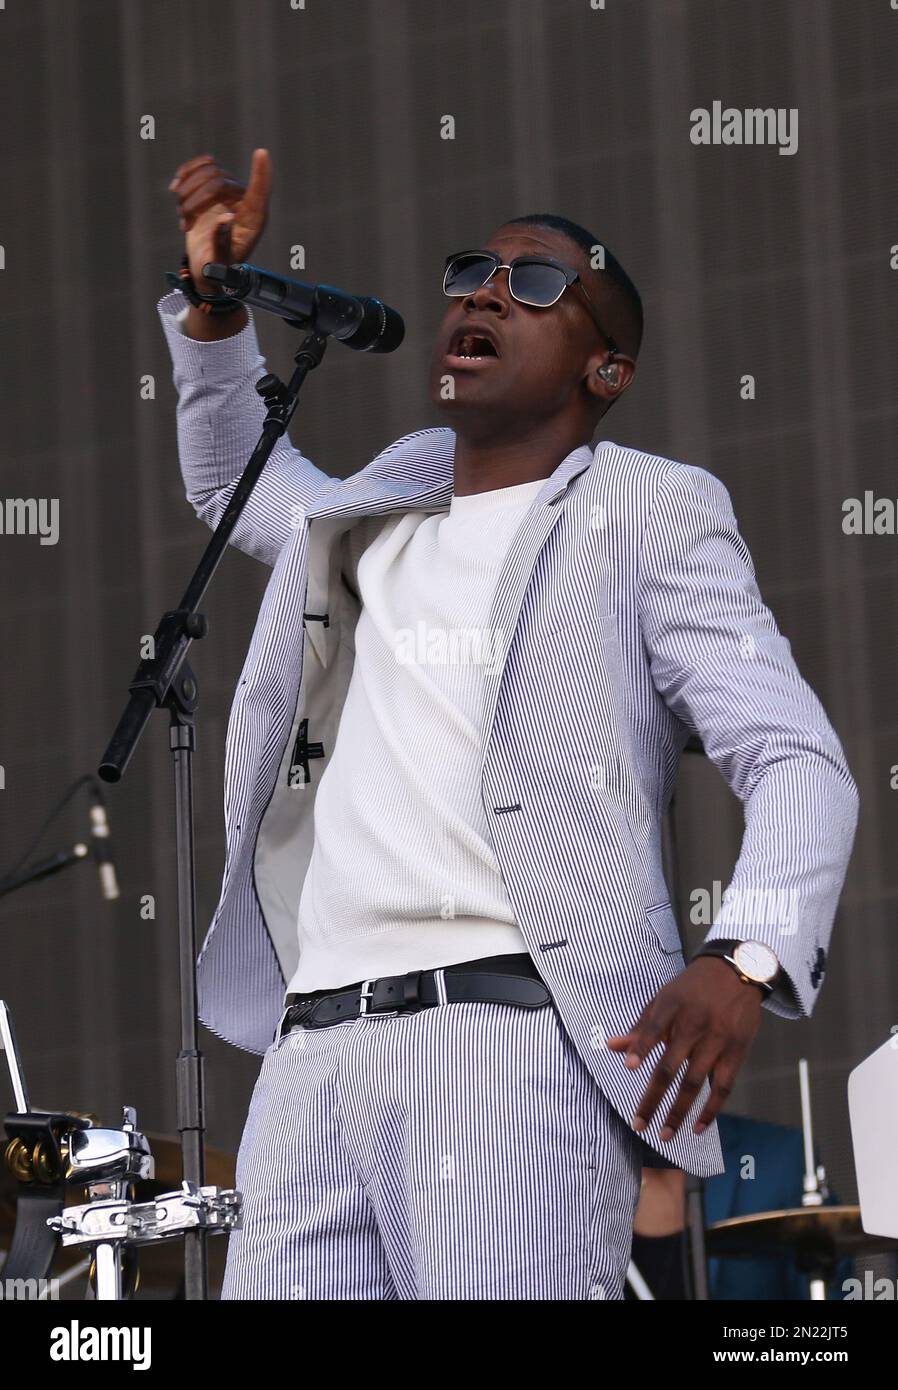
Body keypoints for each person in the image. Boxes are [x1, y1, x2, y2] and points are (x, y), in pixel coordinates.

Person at [158, 149, 859, 1300]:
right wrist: (213, 304)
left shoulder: (648, 508)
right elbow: (233, 478)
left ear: (607, 368)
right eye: (473, 271)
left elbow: (794, 757)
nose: (484, 291)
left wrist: (743, 957)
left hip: (501, 1040)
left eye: (536, 284)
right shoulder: (386, 496)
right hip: (310, 1057)